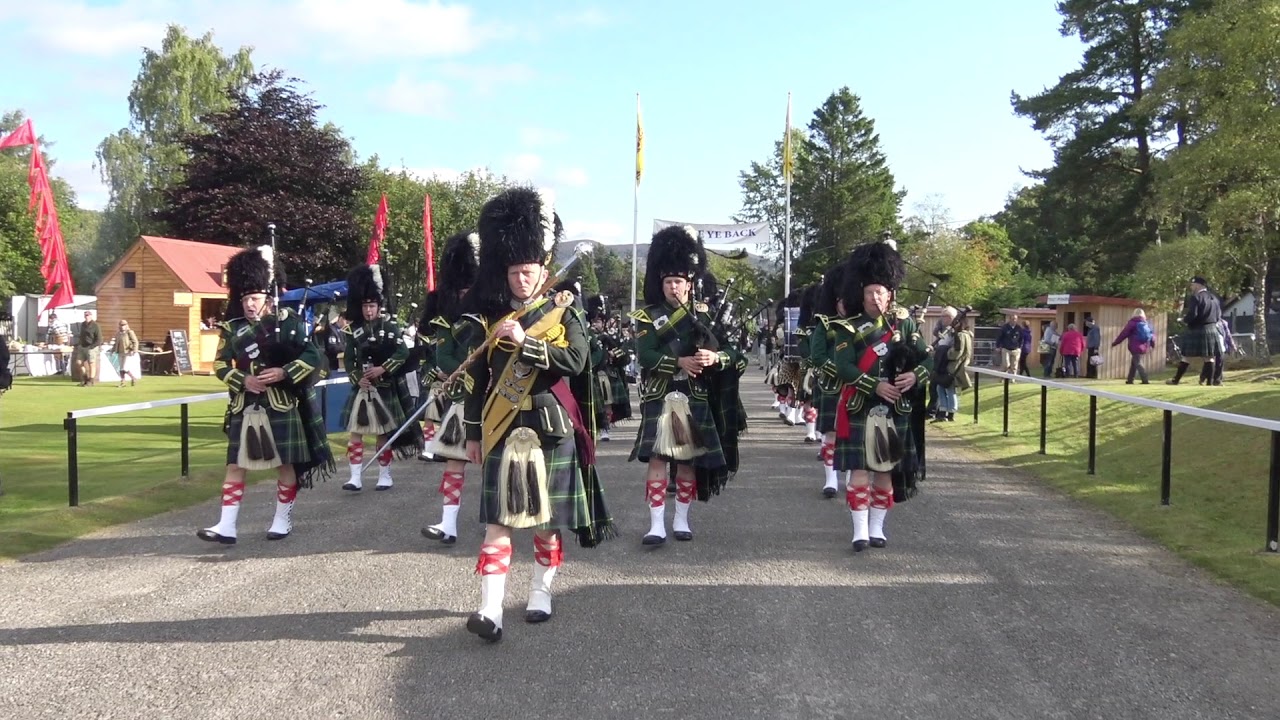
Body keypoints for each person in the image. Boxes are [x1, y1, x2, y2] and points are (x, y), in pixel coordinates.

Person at [461, 187, 614, 643]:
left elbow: (577, 362)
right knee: (498, 521)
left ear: (543, 271)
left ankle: (540, 592)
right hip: (503, 427)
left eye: (527, 271)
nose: (520, 280)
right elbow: (478, 382)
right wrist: (473, 432)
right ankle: (490, 610)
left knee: (546, 523)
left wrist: (525, 342)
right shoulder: (490, 318)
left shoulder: (564, 312)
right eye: (513, 272)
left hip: (550, 429)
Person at [198, 245, 334, 545]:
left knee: (285, 464)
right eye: (245, 298)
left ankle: (282, 519)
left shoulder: (288, 322)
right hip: (245, 405)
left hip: (280, 405)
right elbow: (220, 364)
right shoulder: (232, 329)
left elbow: (313, 356)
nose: (249, 304)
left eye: (255, 298)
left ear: (269, 298)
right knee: (235, 465)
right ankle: (226, 526)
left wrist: (284, 372)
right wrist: (242, 379)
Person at [628, 224, 731, 546]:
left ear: (689, 284)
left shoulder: (705, 316)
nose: (673, 287)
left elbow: (734, 354)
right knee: (658, 459)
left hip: (694, 394)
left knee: (688, 461)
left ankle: (681, 520)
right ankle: (656, 524)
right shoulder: (647, 317)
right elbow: (646, 356)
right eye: (668, 281)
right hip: (661, 394)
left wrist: (715, 358)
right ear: (661, 284)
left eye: (679, 281)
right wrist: (679, 362)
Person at [829, 238, 931, 551]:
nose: (875, 298)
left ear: (890, 294)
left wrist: (915, 375)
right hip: (862, 404)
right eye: (870, 292)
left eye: (880, 292)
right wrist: (874, 385)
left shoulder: (906, 325)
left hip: (895, 408)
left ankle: (877, 528)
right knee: (860, 470)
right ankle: (859, 531)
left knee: (886, 471)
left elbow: (927, 359)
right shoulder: (848, 328)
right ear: (861, 293)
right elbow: (843, 366)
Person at [418, 230, 481, 544]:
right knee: (455, 463)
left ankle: (502, 522)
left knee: (500, 464)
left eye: (469, 289)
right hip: (462, 398)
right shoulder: (446, 322)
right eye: (460, 290)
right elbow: (444, 359)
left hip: (497, 398)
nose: (464, 295)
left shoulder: (494, 317)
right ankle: (448, 523)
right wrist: (470, 366)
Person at [339, 263, 421, 491]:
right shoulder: (353, 330)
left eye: (372, 306)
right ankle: (354, 477)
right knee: (355, 433)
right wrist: (357, 377)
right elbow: (349, 359)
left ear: (379, 306)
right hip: (362, 388)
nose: (368, 311)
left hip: (384, 386)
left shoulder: (389, 327)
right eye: (365, 306)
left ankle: (385, 475)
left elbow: (402, 352)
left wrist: (382, 368)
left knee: (382, 433)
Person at [1168, 276, 1222, 385]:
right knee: (1209, 357)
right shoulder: (1214, 298)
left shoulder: (1196, 297)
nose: (1191, 287)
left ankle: (1176, 380)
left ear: (1198, 285)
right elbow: (1218, 315)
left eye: (1193, 285)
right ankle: (1209, 383)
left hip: (1197, 329)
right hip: (1212, 328)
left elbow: (1193, 315)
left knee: (1186, 357)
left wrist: (1184, 320)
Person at [933, 312, 972, 422]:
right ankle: (943, 412)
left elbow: (956, 353)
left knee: (949, 390)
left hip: (953, 366)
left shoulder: (960, 335)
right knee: (941, 388)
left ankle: (950, 413)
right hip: (954, 365)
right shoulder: (964, 335)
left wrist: (944, 352)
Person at [1112, 308, 1154, 385]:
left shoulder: (1132, 323)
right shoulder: (1147, 323)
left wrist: (1115, 343)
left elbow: (1123, 334)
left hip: (1135, 346)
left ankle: (1145, 380)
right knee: (1134, 362)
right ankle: (1130, 380)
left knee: (1138, 362)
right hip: (1145, 346)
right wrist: (1152, 345)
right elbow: (1152, 335)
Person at [73, 310, 102, 386]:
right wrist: (79, 344)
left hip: (91, 346)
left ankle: (91, 380)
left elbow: (99, 339)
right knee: (79, 362)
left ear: (91, 316)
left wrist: (92, 346)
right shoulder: (83, 324)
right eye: (86, 315)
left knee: (91, 363)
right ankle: (85, 378)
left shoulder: (95, 325)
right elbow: (81, 335)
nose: (87, 317)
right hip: (83, 346)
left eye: (88, 315)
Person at [113, 319, 141, 387]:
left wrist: (134, 350)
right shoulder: (118, 333)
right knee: (121, 368)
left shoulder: (130, 332)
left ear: (126, 325)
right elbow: (116, 343)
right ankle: (123, 381)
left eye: (124, 325)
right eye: (121, 325)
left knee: (124, 367)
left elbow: (135, 341)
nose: (122, 326)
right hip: (120, 352)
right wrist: (112, 350)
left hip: (127, 352)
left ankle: (132, 378)